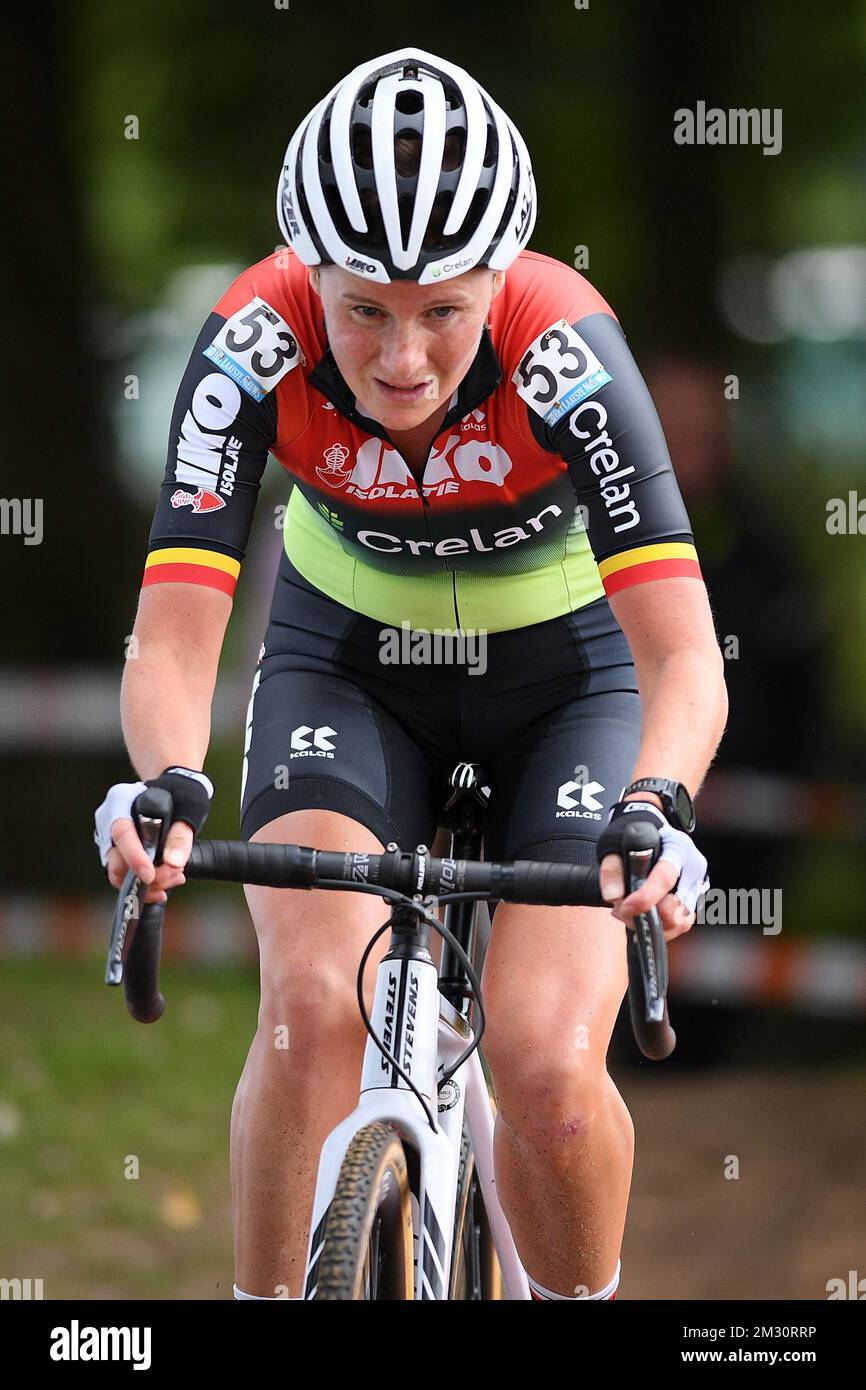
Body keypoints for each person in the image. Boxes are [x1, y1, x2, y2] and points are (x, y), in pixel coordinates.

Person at [95, 47, 726, 1302]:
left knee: (547, 1060)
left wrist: (658, 802)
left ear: (500, 282)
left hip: (568, 679)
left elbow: (681, 655)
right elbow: (171, 635)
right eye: (364, 309)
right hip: (348, 668)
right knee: (310, 1012)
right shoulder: (249, 344)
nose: (400, 359)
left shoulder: (567, 351)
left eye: (444, 310)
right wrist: (160, 779)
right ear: (306, 276)